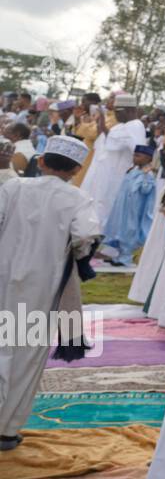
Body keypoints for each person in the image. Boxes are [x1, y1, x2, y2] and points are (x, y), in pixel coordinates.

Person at [0, 136, 101, 450]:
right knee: (25, 355)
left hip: (3, 277)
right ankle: (6, 429)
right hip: (41, 288)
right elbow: (86, 234)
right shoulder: (78, 198)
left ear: (41, 161)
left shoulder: (12, 188)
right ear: (75, 170)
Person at [80, 93, 147, 225]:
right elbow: (105, 143)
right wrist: (101, 124)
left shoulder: (136, 125)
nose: (115, 114)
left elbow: (137, 150)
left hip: (117, 176)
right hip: (104, 176)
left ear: (130, 110)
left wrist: (104, 127)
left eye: (117, 111)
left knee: (106, 210)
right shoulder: (119, 126)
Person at [98, 144, 159, 266]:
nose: (134, 158)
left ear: (148, 158)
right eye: (134, 155)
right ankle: (118, 255)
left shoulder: (148, 174)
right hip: (123, 208)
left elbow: (146, 190)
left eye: (138, 156)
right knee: (120, 229)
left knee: (130, 232)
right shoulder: (133, 171)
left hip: (134, 210)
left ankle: (126, 257)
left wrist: (145, 176)